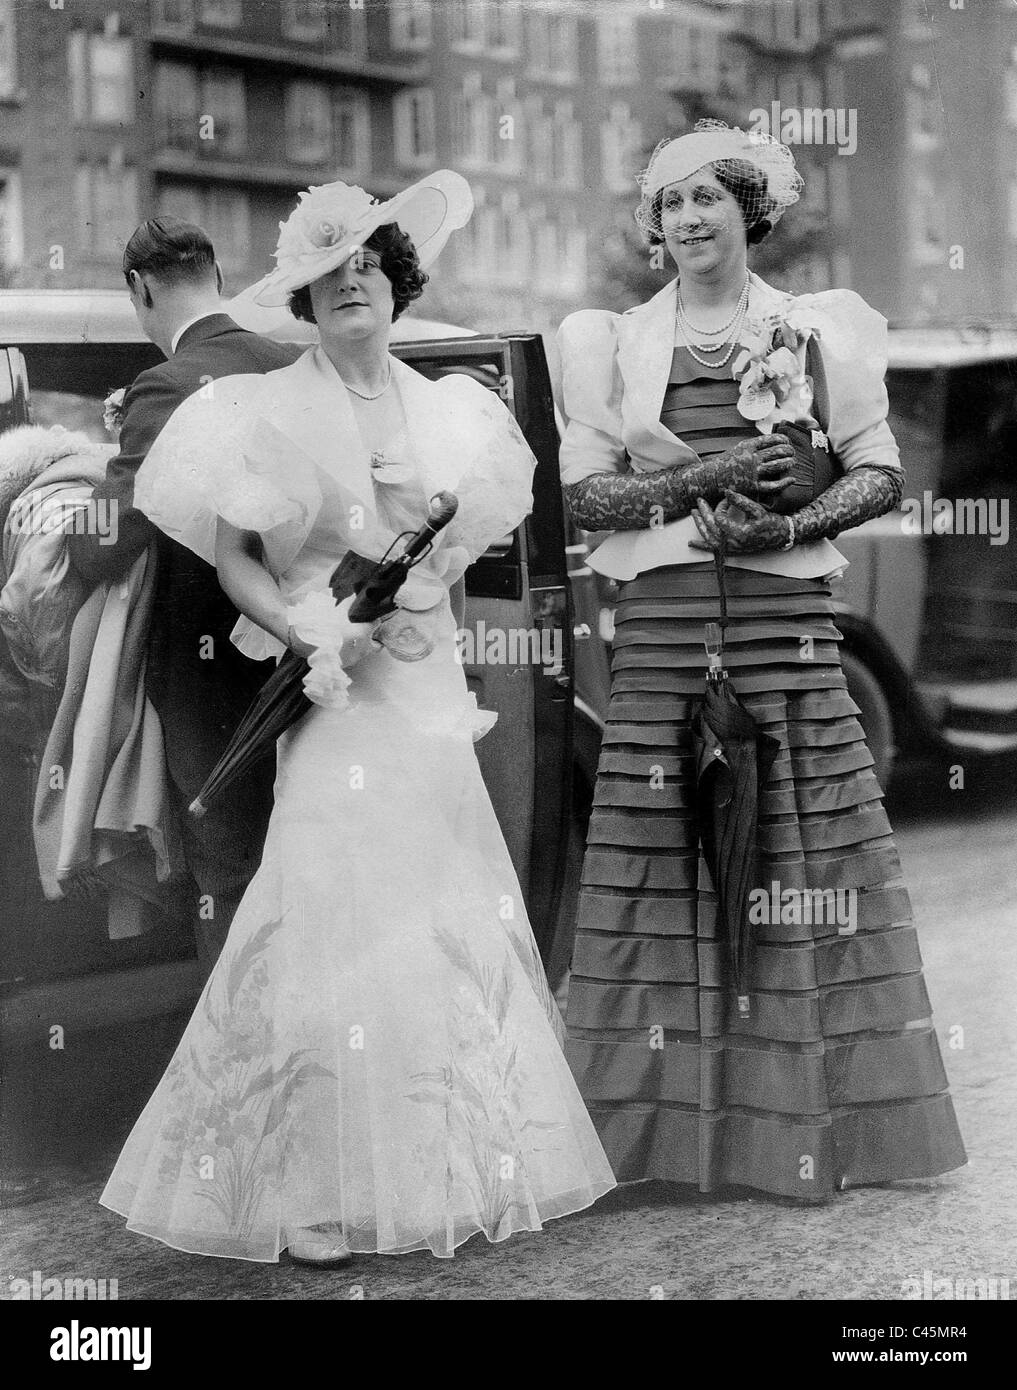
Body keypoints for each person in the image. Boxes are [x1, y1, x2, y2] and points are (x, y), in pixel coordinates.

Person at [99, 170, 616, 1264]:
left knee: (440, 899)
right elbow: (235, 557)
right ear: (305, 298)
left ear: (400, 285)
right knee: (329, 903)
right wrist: (303, 629)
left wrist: (427, 630)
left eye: (373, 268)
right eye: (331, 275)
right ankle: (315, 1190)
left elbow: (457, 563)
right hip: (334, 692)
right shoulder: (263, 408)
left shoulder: (453, 414)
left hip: (426, 692)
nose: (355, 285)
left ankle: (448, 1166)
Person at [557, 121, 966, 1201]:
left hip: (782, 631)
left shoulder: (816, 329)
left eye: (711, 201)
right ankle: (661, 1143)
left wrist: (785, 528)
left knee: (801, 863)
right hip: (659, 632)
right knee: (660, 873)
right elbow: (586, 495)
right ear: (657, 226)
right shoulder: (611, 340)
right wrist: (704, 479)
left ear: (750, 213)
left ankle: (808, 1130)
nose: (691, 221)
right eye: (673, 205)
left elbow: (876, 473)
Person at [69, 219, 299, 976]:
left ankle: (240, 1063)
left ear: (140, 289)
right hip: (300, 667)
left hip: (209, 685)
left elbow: (101, 543)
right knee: (296, 865)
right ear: (217, 275)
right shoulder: (289, 363)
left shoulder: (165, 386)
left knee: (228, 878)